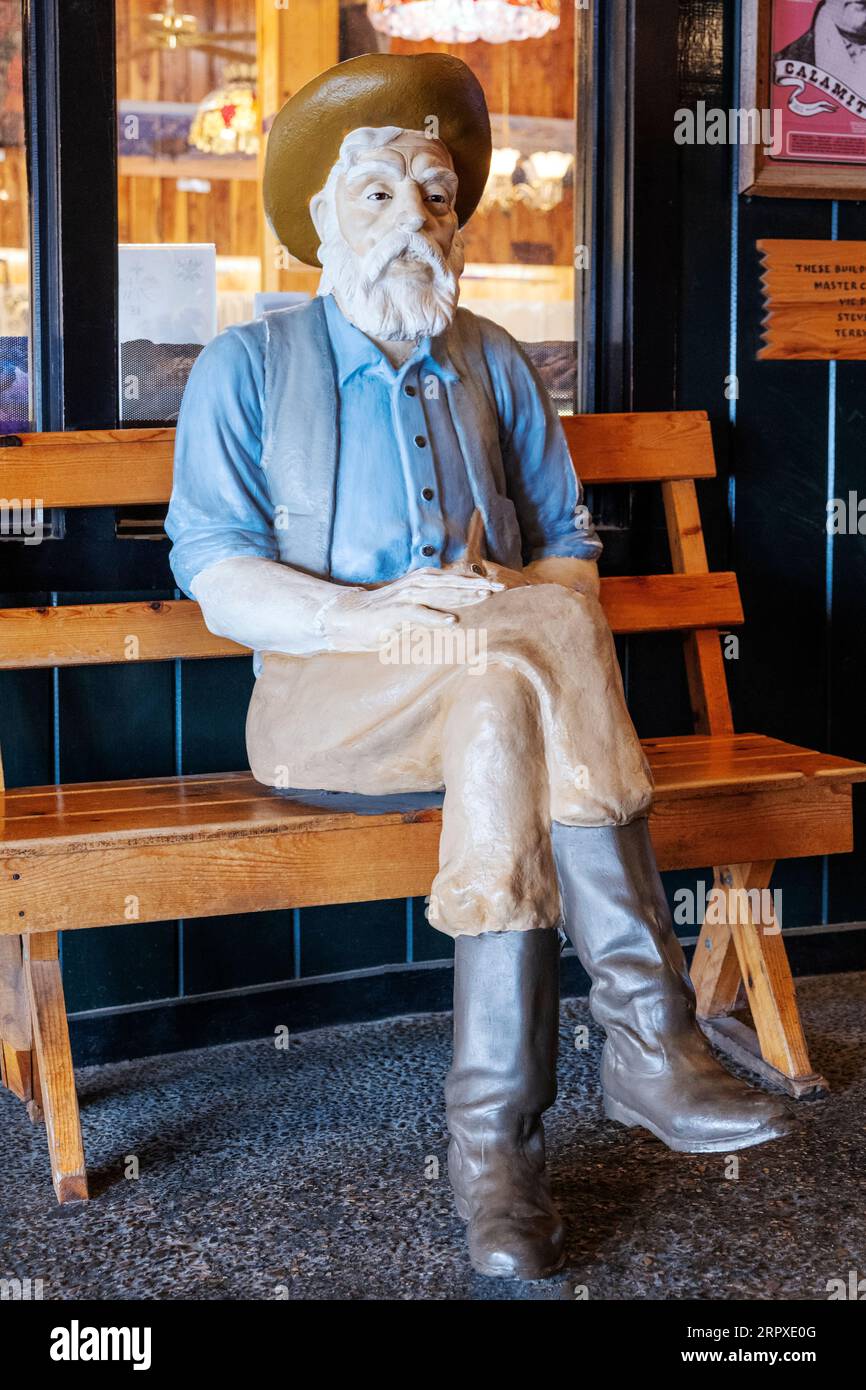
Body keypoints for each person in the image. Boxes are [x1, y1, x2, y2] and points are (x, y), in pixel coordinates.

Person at [166, 52, 789, 1282]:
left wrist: (488, 617)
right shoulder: (248, 368)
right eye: (382, 196)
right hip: (327, 700)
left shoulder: (496, 360)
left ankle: (495, 1154)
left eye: (436, 196)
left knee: (508, 680)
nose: (415, 222)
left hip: (488, 702)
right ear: (322, 223)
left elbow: (564, 557)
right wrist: (394, 612)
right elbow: (216, 573)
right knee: (528, 643)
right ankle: (639, 1037)